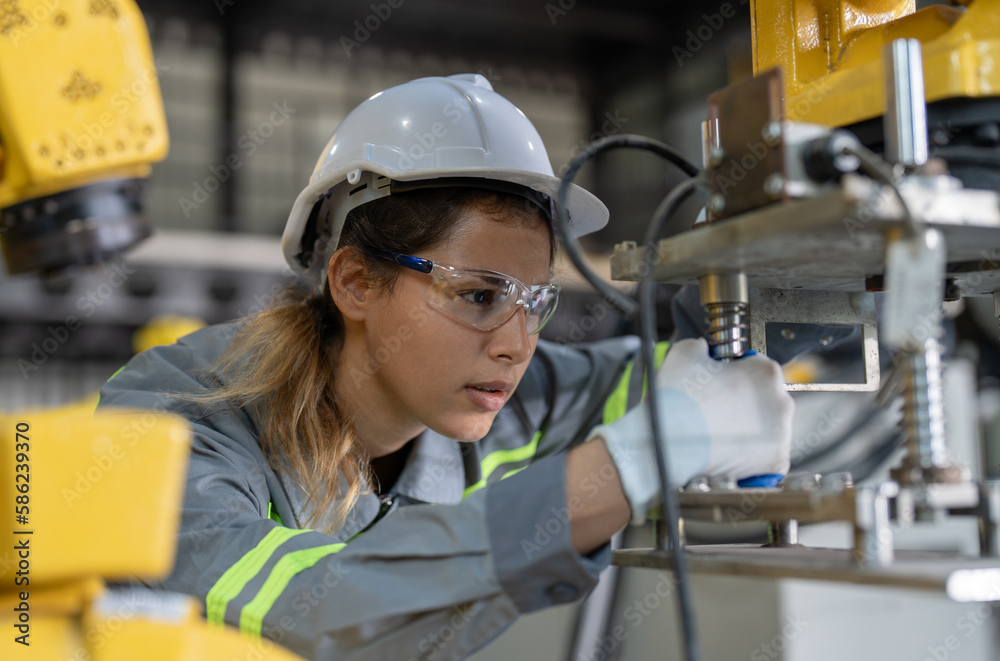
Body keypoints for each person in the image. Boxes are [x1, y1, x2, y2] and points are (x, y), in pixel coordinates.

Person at [98, 74, 793, 660]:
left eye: (536, 301)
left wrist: (751, 226)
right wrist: (632, 464)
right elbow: (318, 610)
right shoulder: (174, 421)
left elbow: (697, 372)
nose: (518, 344)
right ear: (356, 282)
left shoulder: (514, 397)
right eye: (481, 295)